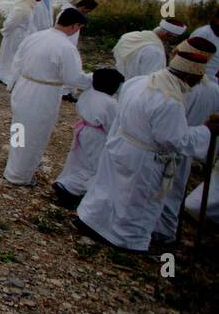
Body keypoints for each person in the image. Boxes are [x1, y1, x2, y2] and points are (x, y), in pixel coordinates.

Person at [77, 44, 219, 252]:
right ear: (190, 77)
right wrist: (206, 130)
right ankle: (126, 239)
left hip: (121, 143)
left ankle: (92, 221)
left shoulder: (140, 82)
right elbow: (174, 140)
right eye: (198, 79)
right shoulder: (169, 100)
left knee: (109, 189)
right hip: (144, 157)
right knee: (135, 201)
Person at [2, 8, 93, 186]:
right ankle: (19, 175)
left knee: (19, 127)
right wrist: (93, 79)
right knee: (35, 133)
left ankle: (13, 165)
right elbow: (73, 78)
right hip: (43, 93)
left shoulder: (36, 36)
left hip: (23, 86)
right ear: (74, 26)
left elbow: (17, 61)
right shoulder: (66, 47)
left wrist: (12, 84)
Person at [154, 37, 219, 245]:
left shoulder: (182, 87)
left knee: (165, 192)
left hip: (175, 143)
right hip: (190, 145)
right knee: (173, 192)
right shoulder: (214, 89)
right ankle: (163, 231)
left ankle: (162, 234)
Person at [53, 67, 124, 208]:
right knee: (95, 166)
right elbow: (112, 126)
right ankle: (73, 188)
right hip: (98, 135)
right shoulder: (110, 103)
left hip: (83, 129)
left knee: (78, 159)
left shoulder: (89, 94)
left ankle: (66, 181)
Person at [0, 0, 42, 85]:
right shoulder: (23, 7)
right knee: (9, 56)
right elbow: (11, 22)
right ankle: (3, 76)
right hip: (15, 35)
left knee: (14, 56)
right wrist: (6, 32)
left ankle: (9, 76)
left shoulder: (29, 6)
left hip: (21, 35)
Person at [112, 18, 187, 79]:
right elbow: (151, 79)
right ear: (168, 35)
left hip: (120, 83)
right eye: (175, 38)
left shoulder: (128, 36)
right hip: (136, 90)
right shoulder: (155, 52)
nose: (174, 41)